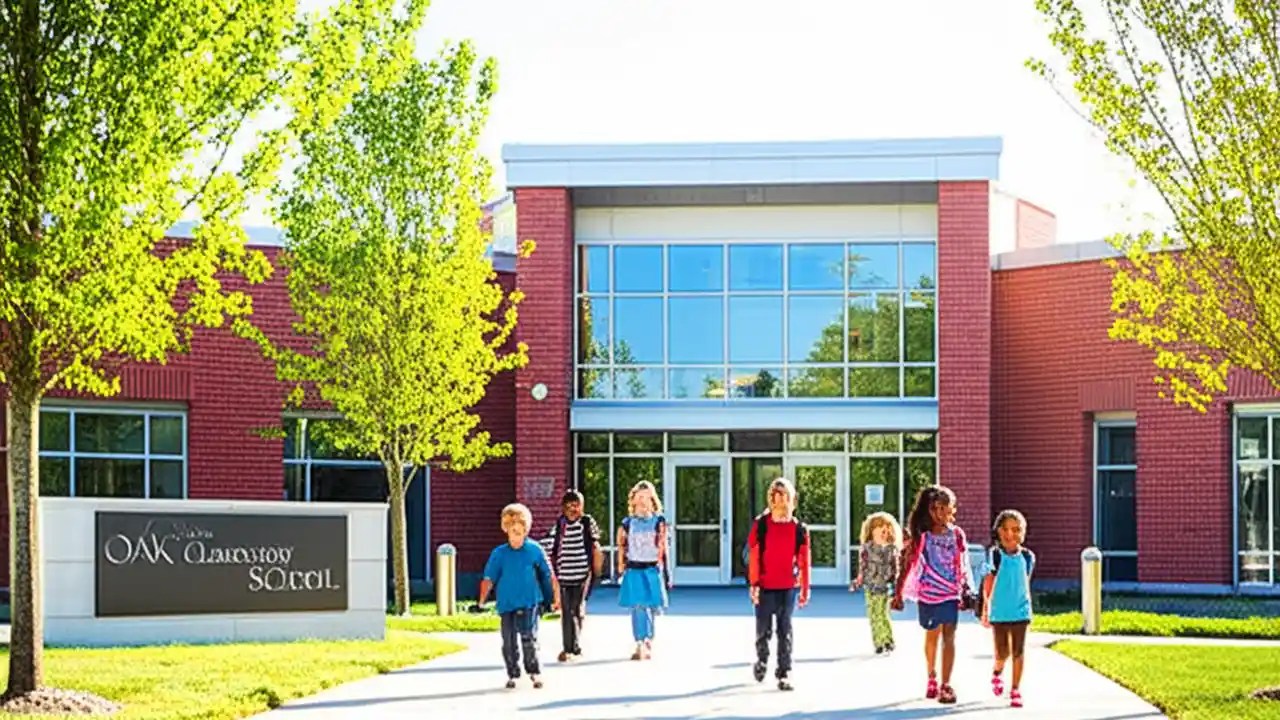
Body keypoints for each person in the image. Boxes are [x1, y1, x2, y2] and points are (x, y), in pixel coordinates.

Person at [892, 485, 975, 705]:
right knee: (932, 634)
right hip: (928, 593)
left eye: (947, 510)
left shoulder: (957, 535)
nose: (942, 515)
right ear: (930, 509)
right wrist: (898, 593)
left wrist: (967, 589)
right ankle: (931, 676)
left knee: (949, 636)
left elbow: (964, 563)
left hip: (950, 592)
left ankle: (946, 684)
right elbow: (908, 563)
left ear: (953, 511)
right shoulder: (923, 536)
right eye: (938, 509)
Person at [477, 503, 560, 690]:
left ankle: (534, 671)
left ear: (525, 530)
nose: (515, 537)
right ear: (505, 530)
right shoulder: (499, 553)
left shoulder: (534, 550)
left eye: (519, 531)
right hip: (506, 602)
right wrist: (482, 600)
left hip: (529, 601)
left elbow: (548, 575)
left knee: (529, 637)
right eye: (511, 531)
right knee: (508, 641)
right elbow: (489, 577)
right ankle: (513, 673)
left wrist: (555, 598)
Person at [747, 477, 811, 691]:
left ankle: (784, 671)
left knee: (785, 629)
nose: (780, 501)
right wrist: (754, 584)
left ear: (793, 500)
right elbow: (755, 556)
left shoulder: (799, 529)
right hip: (765, 585)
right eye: (776, 496)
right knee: (763, 629)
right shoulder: (761, 525)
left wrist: (804, 588)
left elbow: (804, 561)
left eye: (785, 496)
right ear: (770, 499)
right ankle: (762, 660)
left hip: (787, 586)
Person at [981, 509, 1036, 709]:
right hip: (999, 612)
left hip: (1020, 611)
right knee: (1001, 653)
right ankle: (997, 672)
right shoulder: (994, 555)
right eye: (1005, 529)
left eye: (1015, 529)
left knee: (1019, 652)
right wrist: (986, 609)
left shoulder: (1028, 557)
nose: (1010, 534)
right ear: (998, 531)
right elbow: (988, 582)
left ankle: (1015, 689)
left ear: (1022, 533)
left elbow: (1024, 582)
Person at [545, 489, 604, 662]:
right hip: (564, 574)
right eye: (569, 505)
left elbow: (595, 545)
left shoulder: (586, 522)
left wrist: (597, 569)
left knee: (576, 609)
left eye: (577, 505)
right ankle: (567, 647)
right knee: (566, 612)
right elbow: (551, 544)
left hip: (582, 574)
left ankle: (575, 647)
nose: (573, 509)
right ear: (563, 508)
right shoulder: (560, 524)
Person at [616, 480, 669, 660]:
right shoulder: (627, 523)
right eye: (640, 497)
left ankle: (648, 639)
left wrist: (667, 572)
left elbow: (663, 547)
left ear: (653, 500)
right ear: (634, 500)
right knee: (638, 606)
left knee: (651, 606)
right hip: (634, 568)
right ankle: (639, 641)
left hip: (652, 569)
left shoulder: (658, 521)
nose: (643, 501)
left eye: (647, 497)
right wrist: (620, 566)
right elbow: (621, 545)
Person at [852, 511, 902, 655]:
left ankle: (888, 640)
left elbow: (895, 568)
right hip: (870, 585)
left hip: (885, 586)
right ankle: (878, 642)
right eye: (880, 529)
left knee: (883, 614)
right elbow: (863, 566)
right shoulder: (867, 548)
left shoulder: (891, 549)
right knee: (873, 615)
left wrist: (897, 584)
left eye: (887, 530)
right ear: (872, 531)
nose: (884, 533)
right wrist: (859, 579)